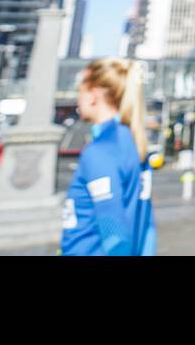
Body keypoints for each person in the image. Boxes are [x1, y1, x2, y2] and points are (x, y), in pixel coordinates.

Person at [60, 57, 156, 256]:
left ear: (93, 95)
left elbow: (115, 236)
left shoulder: (100, 150)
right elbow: (147, 226)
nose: (78, 97)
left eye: (80, 89)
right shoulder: (134, 142)